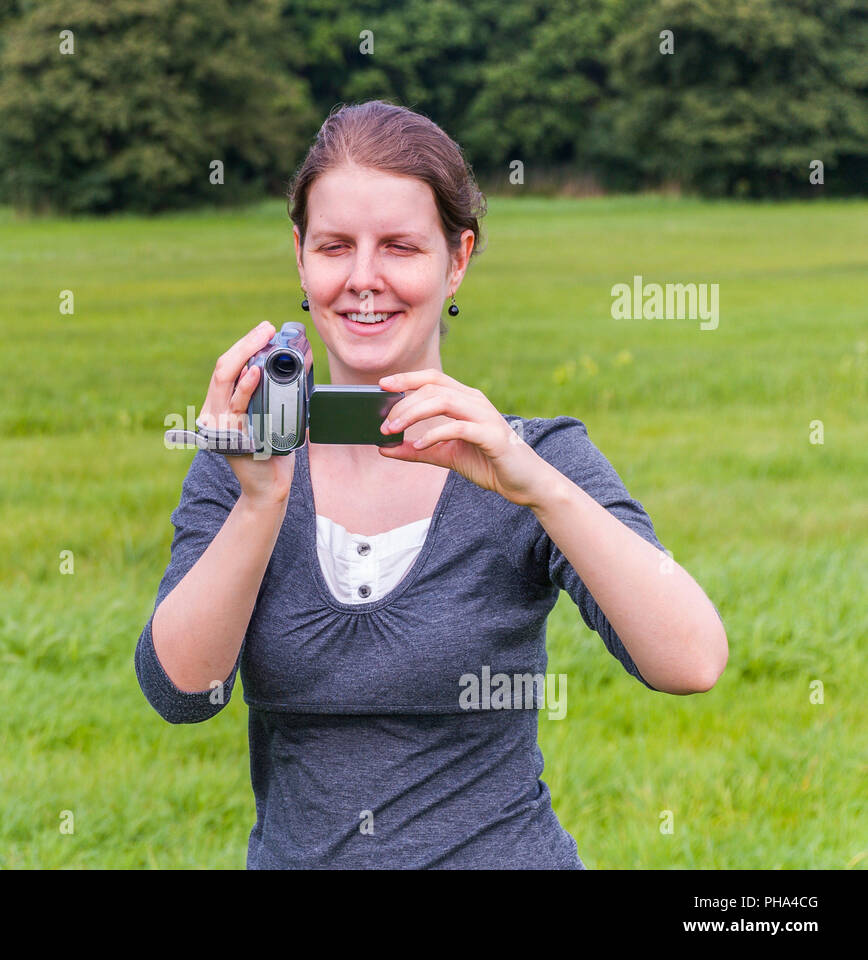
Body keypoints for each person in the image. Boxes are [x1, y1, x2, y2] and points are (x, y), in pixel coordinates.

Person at [135, 100, 728, 869]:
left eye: (401, 247)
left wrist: (535, 486)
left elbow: (690, 661)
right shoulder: (244, 463)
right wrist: (260, 501)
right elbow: (183, 693)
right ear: (299, 256)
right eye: (335, 246)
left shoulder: (536, 457)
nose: (363, 280)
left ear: (457, 259)